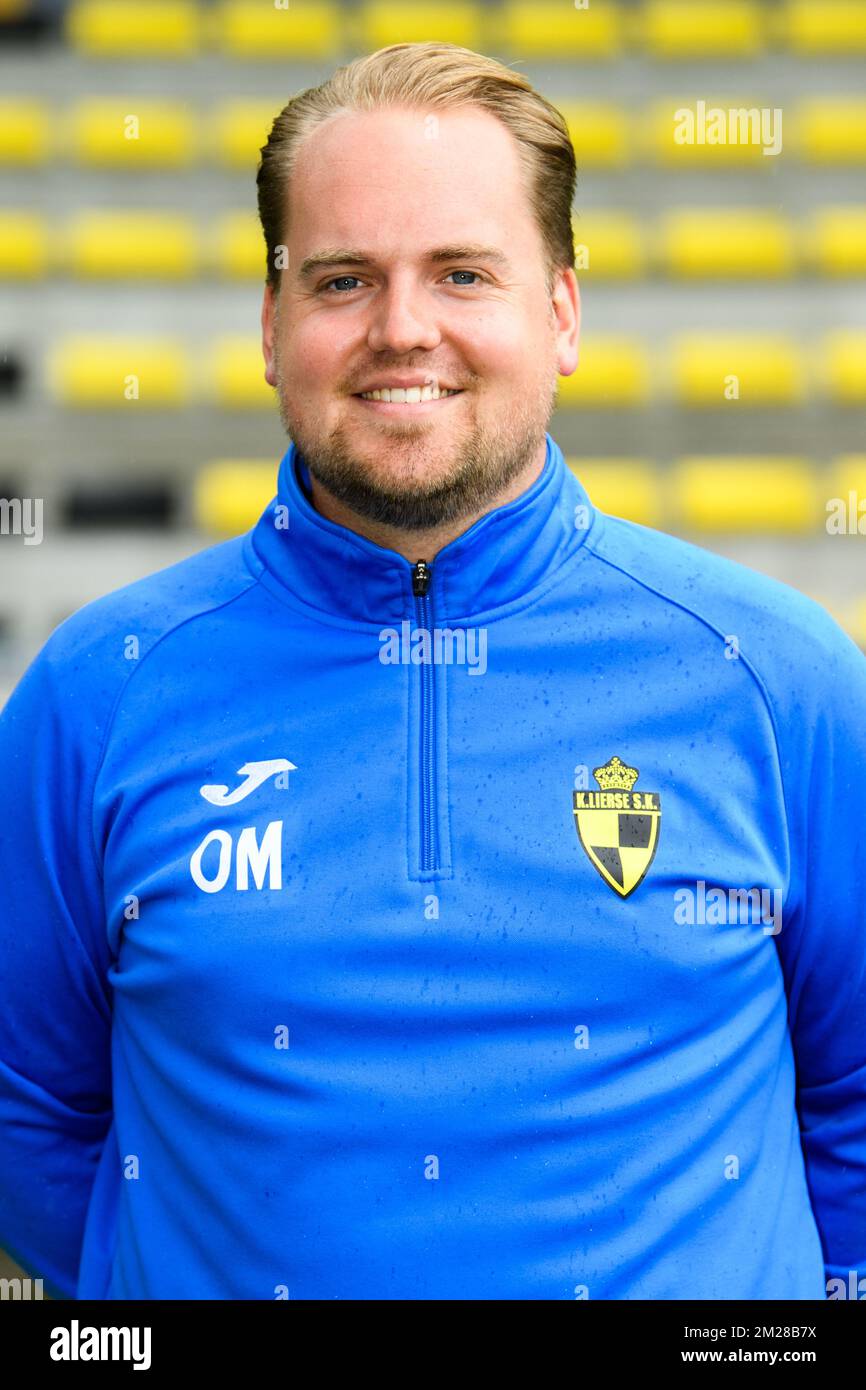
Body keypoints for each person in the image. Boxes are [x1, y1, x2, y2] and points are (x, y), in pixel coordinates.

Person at [0, 42, 864, 1301]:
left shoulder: (778, 680)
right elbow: (26, 1108)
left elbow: (853, 1098)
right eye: (342, 279)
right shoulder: (100, 692)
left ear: (560, 313)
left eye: (461, 272)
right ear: (271, 324)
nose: (402, 329)